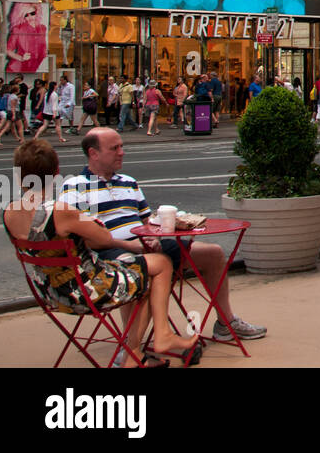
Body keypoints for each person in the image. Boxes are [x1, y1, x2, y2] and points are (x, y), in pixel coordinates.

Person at [59, 128, 267, 342]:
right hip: (108, 252)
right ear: (93, 153)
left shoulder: (129, 182)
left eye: (122, 146)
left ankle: (226, 322)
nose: (121, 152)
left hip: (144, 245)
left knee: (213, 253)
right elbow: (87, 238)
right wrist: (134, 246)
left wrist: (156, 235)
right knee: (136, 268)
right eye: (114, 148)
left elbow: (148, 221)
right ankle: (132, 345)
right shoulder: (75, 187)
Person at [6, 139, 198, 367]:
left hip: (51, 293)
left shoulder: (10, 212)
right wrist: (90, 222)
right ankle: (157, 339)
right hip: (87, 291)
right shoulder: (60, 211)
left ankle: (135, 354)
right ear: (56, 172)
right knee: (162, 264)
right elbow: (104, 239)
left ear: (19, 174)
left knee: (145, 275)